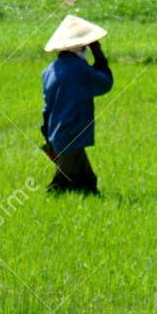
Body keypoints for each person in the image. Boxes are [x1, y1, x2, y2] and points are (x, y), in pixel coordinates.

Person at [40, 15, 113, 194]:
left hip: (57, 135)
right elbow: (105, 84)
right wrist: (99, 55)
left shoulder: (49, 71)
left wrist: (46, 133)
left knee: (85, 182)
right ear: (81, 46)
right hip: (72, 134)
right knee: (69, 184)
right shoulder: (80, 70)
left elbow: (47, 108)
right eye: (87, 46)